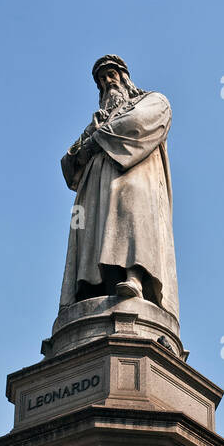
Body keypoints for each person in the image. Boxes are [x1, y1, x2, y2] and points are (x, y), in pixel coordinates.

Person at [60, 56, 179, 314]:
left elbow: (138, 125)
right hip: (95, 190)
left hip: (135, 177)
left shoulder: (153, 100)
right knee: (97, 232)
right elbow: (69, 166)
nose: (107, 82)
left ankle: (136, 279)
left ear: (124, 76)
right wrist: (89, 137)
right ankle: (102, 287)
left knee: (133, 222)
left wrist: (96, 139)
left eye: (111, 75)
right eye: (101, 80)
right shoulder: (96, 122)